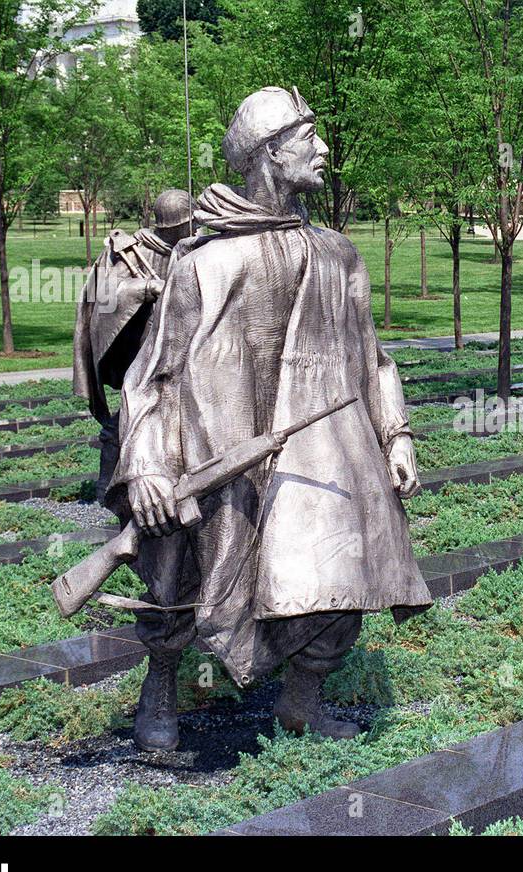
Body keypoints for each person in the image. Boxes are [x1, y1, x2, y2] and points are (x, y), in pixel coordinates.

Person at [110, 86, 433, 751]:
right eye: (308, 137)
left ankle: (302, 699)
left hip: (316, 453)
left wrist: (395, 434)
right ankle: (161, 682)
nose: (323, 150)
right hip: (216, 450)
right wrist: (145, 465)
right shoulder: (203, 262)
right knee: (176, 564)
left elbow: (372, 359)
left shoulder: (337, 255)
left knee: (344, 565)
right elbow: (156, 373)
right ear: (268, 152)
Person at [72, 189, 195, 501]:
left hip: (178, 343)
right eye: (189, 224)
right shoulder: (132, 250)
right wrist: (146, 287)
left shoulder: (190, 249)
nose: (194, 228)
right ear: (173, 226)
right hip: (138, 347)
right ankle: (106, 488)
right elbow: (106, 293)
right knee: (128, 415)